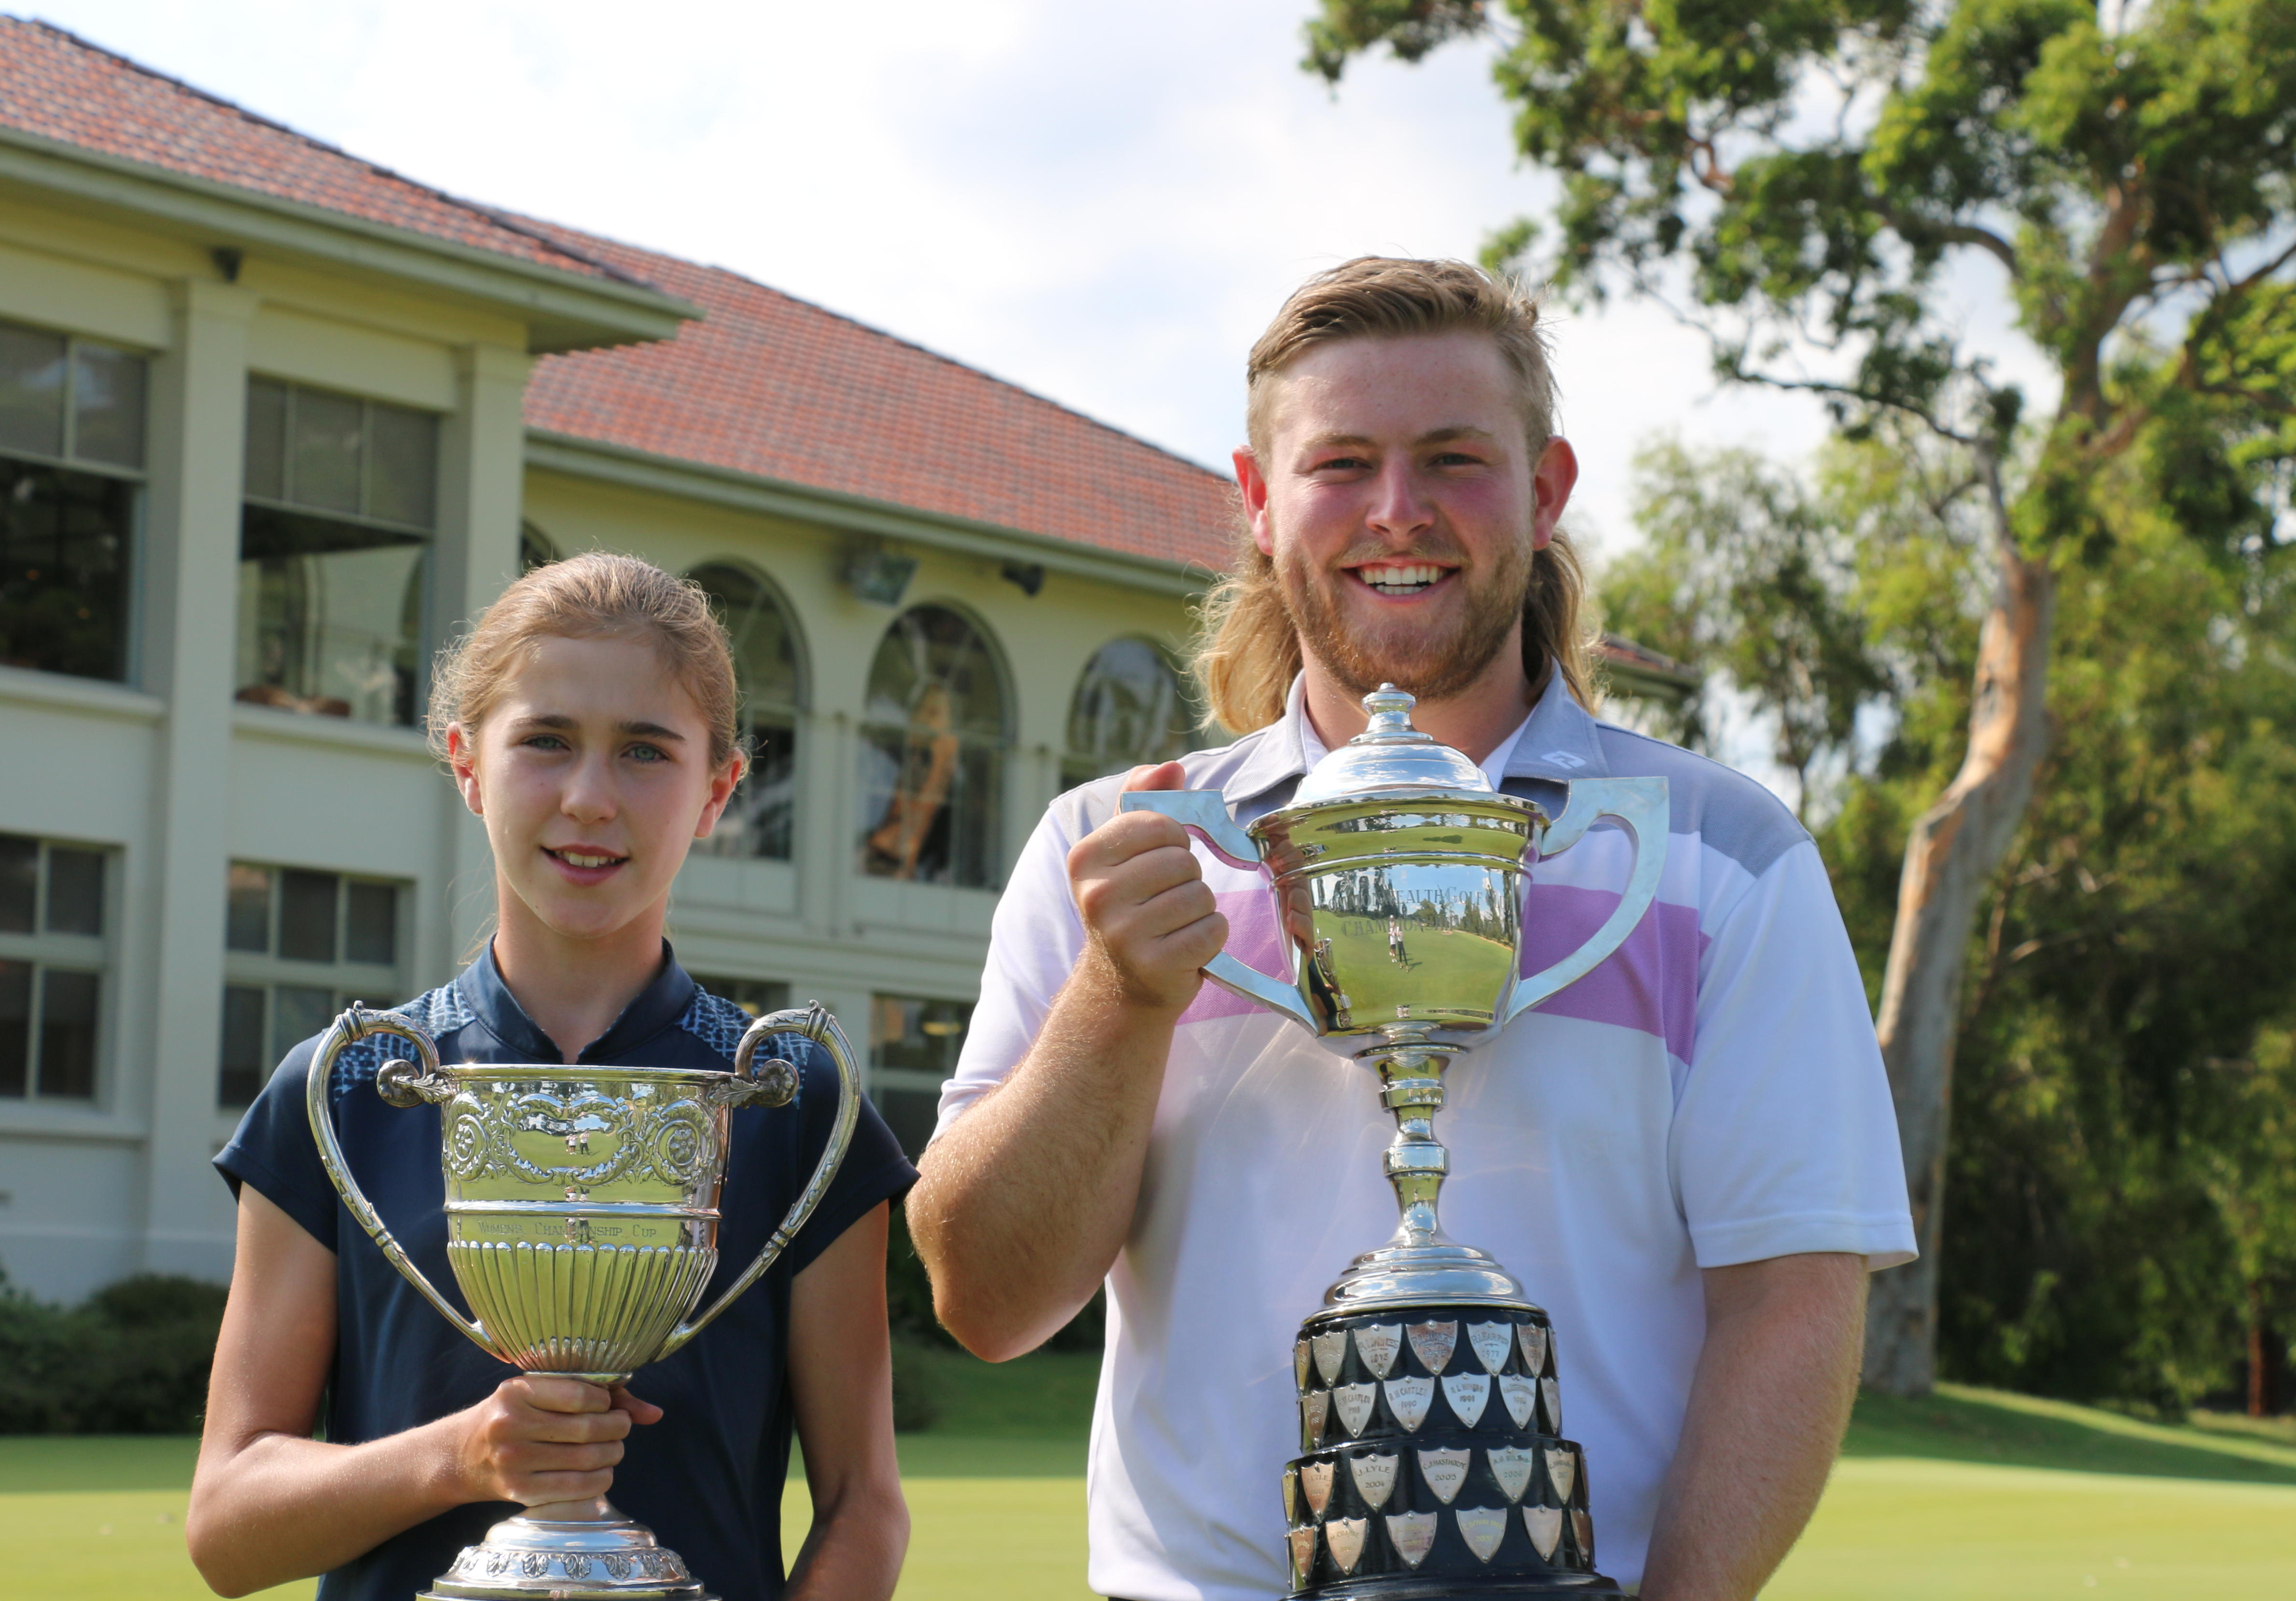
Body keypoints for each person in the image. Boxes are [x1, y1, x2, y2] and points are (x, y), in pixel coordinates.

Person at [908, 258, 1916, 1601]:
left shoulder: (1724, 855)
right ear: (1260, 504)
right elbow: (985, 1297)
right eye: (1340, 464)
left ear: (1547, 490)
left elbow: (1794, 1292)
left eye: (1455, 459)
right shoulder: (1115, 849)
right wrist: (1116, 997)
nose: (1398, 511)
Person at [189, 554, 917, 1601]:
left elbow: (864, 1504)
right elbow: (226, 1529)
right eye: (545, 740)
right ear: (466, 764)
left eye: (643, 751)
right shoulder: (345, 1091)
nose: (589, 797)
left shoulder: (791, 1101)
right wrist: (463, 1455)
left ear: (717, 789)